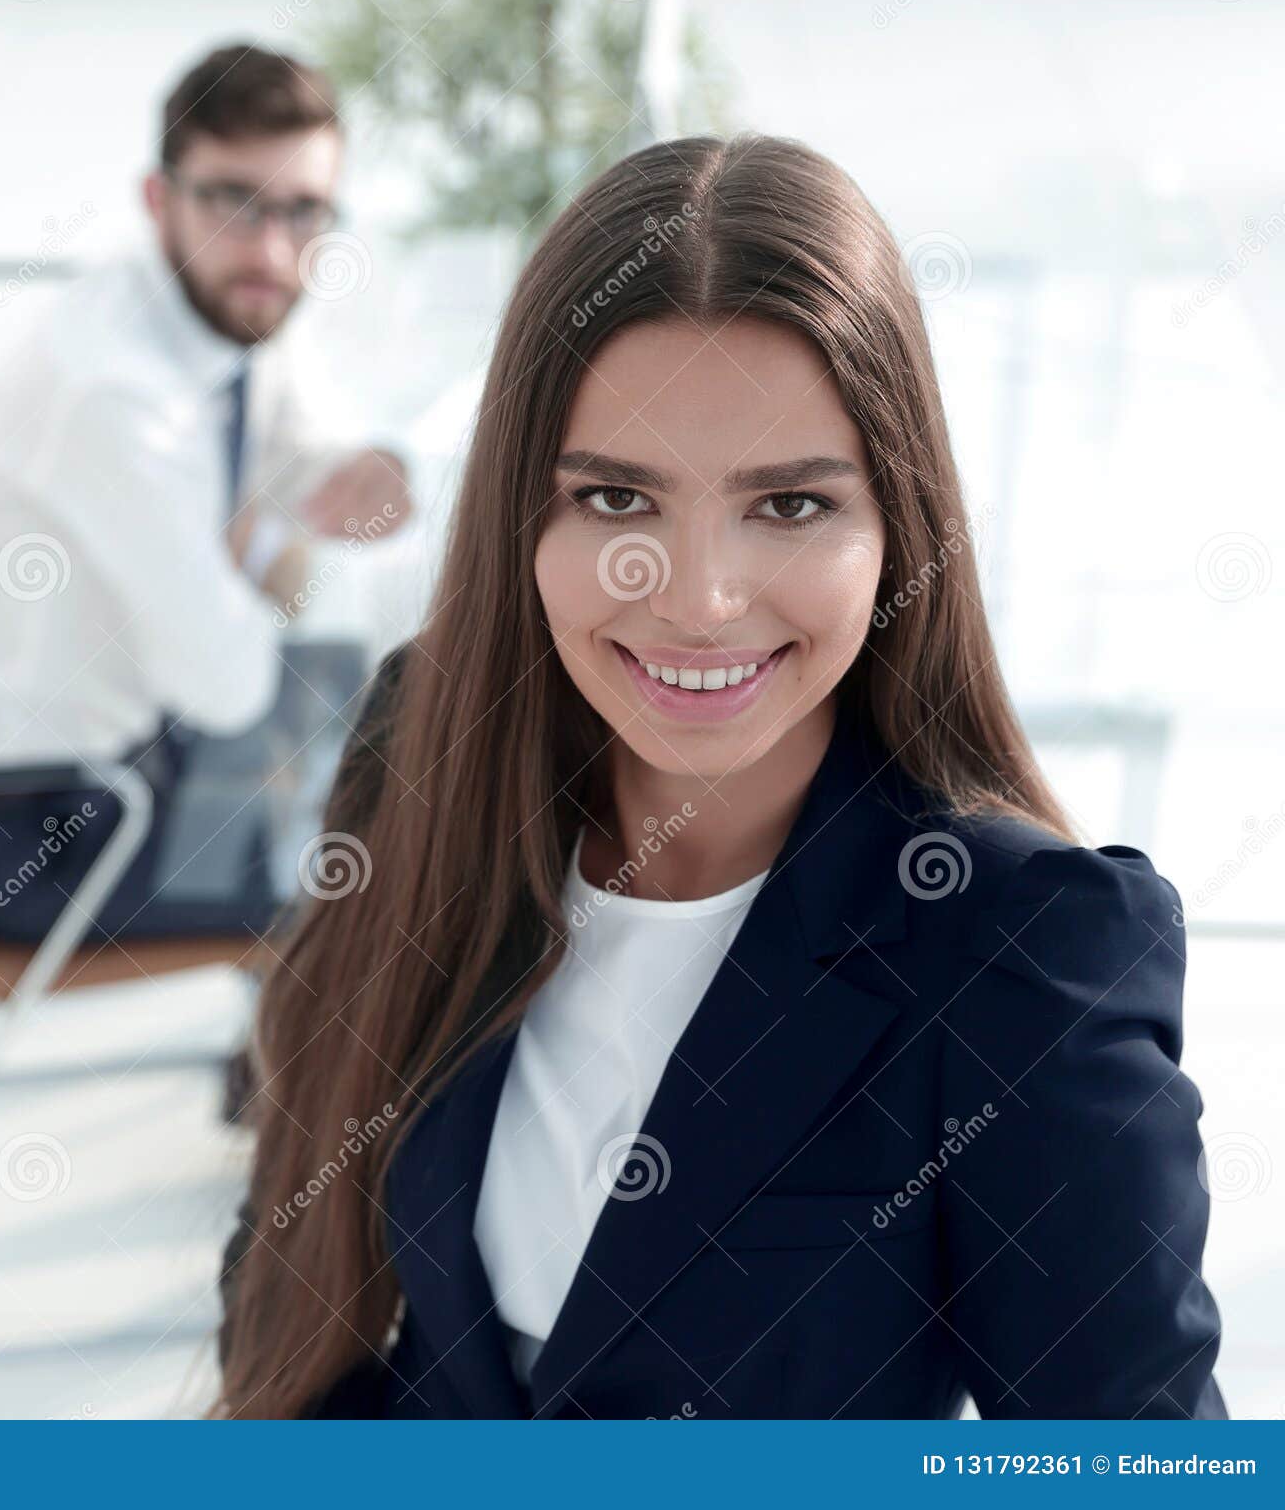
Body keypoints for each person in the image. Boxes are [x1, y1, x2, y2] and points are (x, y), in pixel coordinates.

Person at [213, 133, 1227, 1420]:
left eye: (791, 505)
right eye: (617, 500)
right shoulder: (429, 744)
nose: (695, 598)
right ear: (525, 513)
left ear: (894, 527)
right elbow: (292, 1272)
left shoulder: (1021, 950)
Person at [0, 43, 410, 943]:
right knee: (419, 875)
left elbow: (293, 435)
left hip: (122, 757)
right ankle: (292, 1078)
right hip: (35, 834)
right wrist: (266, 536)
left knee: (407, 730)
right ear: (158, 199)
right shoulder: (115, 396)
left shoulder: (211, 298)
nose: (272, 248)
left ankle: (279, 1073)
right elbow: (230, 689)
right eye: (231, 201)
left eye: (303, 210)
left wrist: (339, 477)